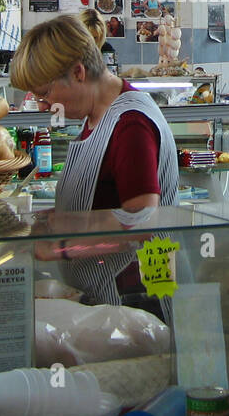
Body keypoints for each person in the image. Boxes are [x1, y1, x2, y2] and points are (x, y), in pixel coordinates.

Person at [10, 15, 179, 305]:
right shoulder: (95, 117)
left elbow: (143, 220)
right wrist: (54, 219)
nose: (43, 105)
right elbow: (103, 198)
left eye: (45, 93)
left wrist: (61, 246)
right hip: (101, 298)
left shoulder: (130, 124)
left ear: (78, 72)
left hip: (134, 298)